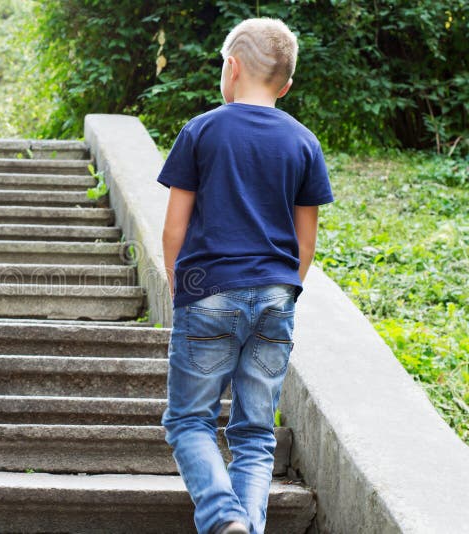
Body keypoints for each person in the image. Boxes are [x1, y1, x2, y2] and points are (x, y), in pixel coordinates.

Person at [158, 18, 334, 534]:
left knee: (189, 420)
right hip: (276, 297)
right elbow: (306, 243)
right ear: (286, 85)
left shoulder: (202, 130)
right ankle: (244, 528)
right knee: (255, 434)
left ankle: (222, 517)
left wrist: (179, 285)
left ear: (230, 68)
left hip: (208, 291)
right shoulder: (304, 142)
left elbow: (174, 229)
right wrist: (283, 291)